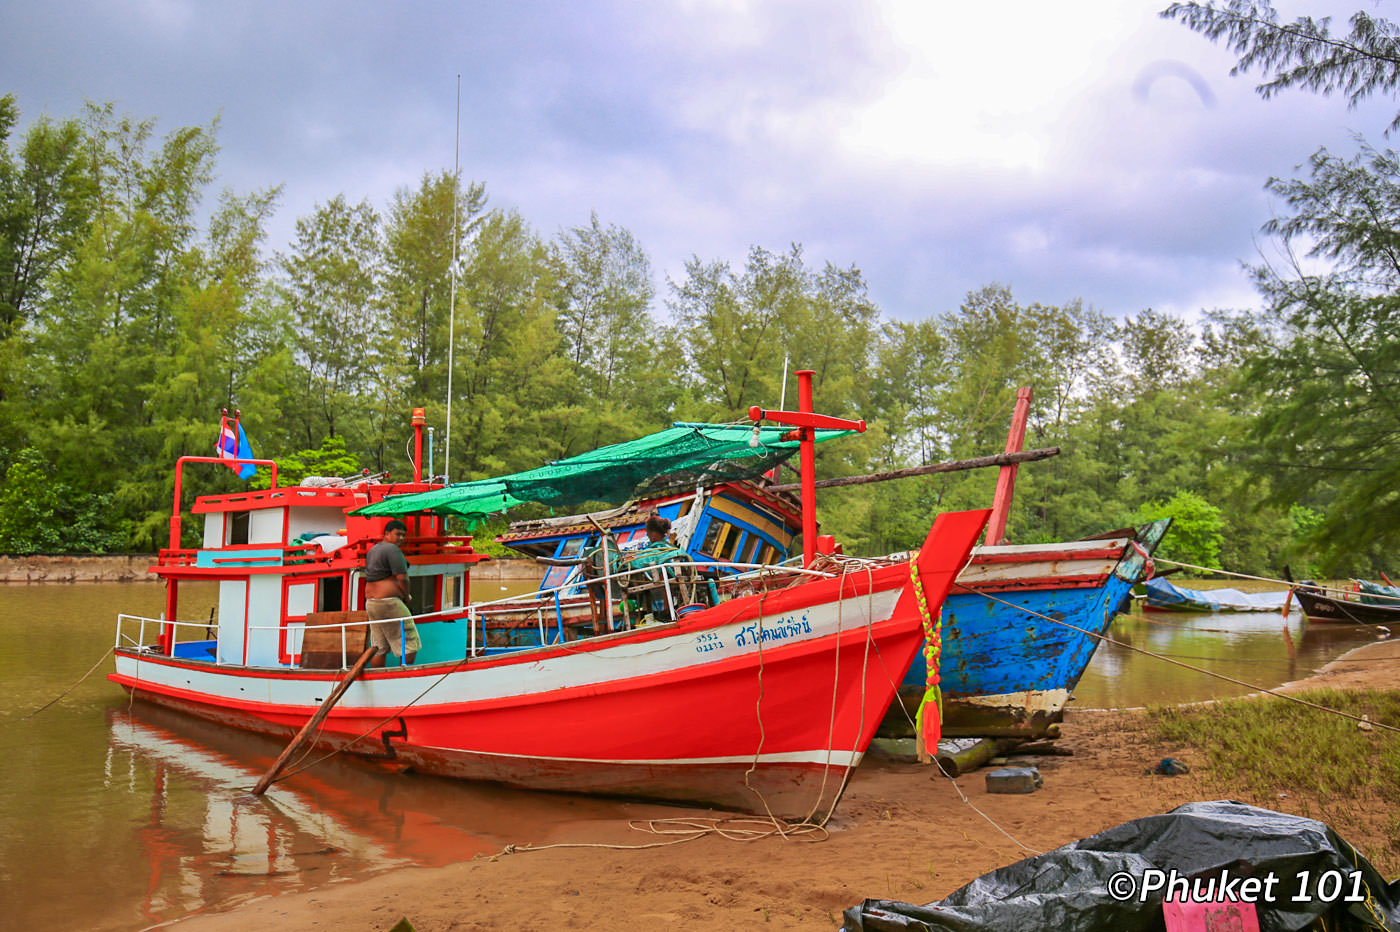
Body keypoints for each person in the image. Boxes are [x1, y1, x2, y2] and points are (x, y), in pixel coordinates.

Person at [364, 519, 420, 666]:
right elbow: (403, 579)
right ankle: (404, 675)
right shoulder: (392, 549)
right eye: (398, 534)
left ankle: (377, 678)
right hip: (388, 603)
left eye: (403, 535)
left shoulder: (374, 549)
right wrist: (406, 595)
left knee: (379, 646)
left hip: (372, 603)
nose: (401, 538)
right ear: (387, 534)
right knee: (409, 642)